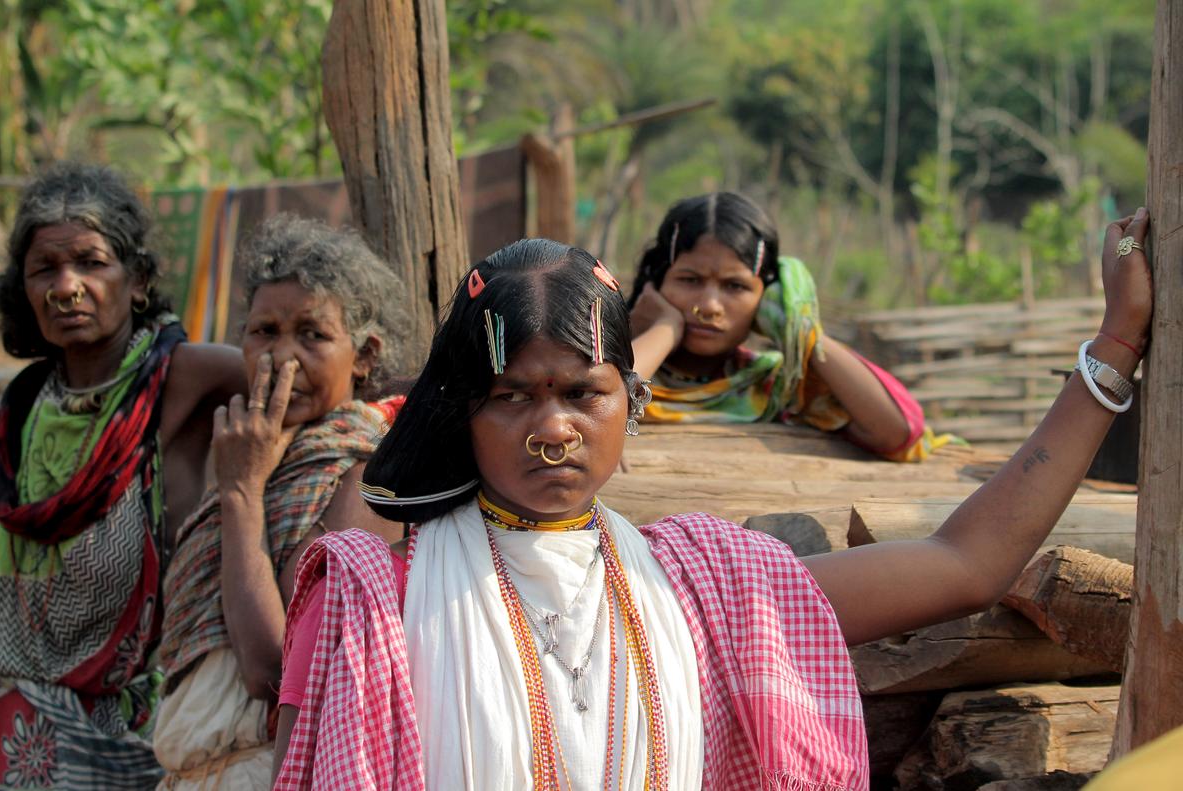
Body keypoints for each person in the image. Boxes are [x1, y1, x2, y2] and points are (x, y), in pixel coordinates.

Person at [273, 208, 1152, 790]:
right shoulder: (377, 597)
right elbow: (361, 535)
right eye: (511, 396)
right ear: (460, 411)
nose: (552, 428)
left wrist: (1113, 349)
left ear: (632, 405)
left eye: (584, 393)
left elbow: (969, 562)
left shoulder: (701, 586)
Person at [0, 162, 245, 790]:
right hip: (15, 727)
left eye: (91, 263)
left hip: (138, 736)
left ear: (138, 279)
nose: (67, 286)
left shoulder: (187, 378)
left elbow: (316, 380)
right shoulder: (20, 408)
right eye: (45, 268)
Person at [153, 216, 409, 789]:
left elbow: (274, 667)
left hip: (268, 769)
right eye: (264, 331)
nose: (282, 359)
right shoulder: (253, 454)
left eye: (313, 335)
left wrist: (242, 492)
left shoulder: (364, 473)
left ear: (363, 356)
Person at [628, 191, 951, 461]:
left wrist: (800, 328)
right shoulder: (599, 363)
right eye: (689, 280)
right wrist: (665, 327)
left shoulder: (775, 387)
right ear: (654, 283)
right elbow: (606, 402)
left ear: (766, 297)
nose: (710, 306)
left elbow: (897, 433)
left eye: (735, 287)